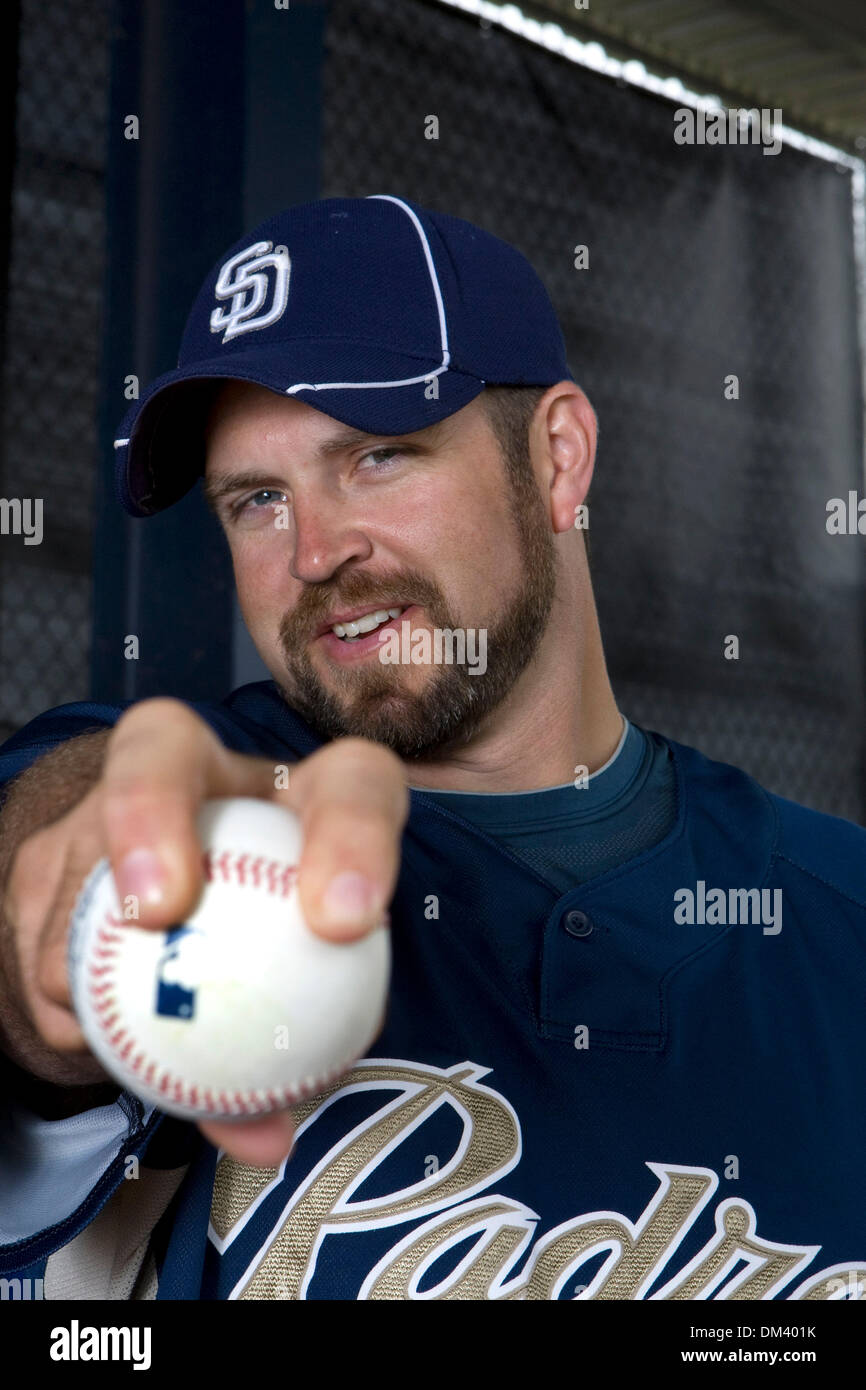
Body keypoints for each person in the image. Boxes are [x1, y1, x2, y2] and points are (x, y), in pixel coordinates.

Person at [0, 195, 863, 1302]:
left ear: (556, 457)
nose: (314, 552)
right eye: (258, 499)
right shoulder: (222, 810)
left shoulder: (834, 910)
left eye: (376, 457)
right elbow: (66, 827)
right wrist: (82, 902)